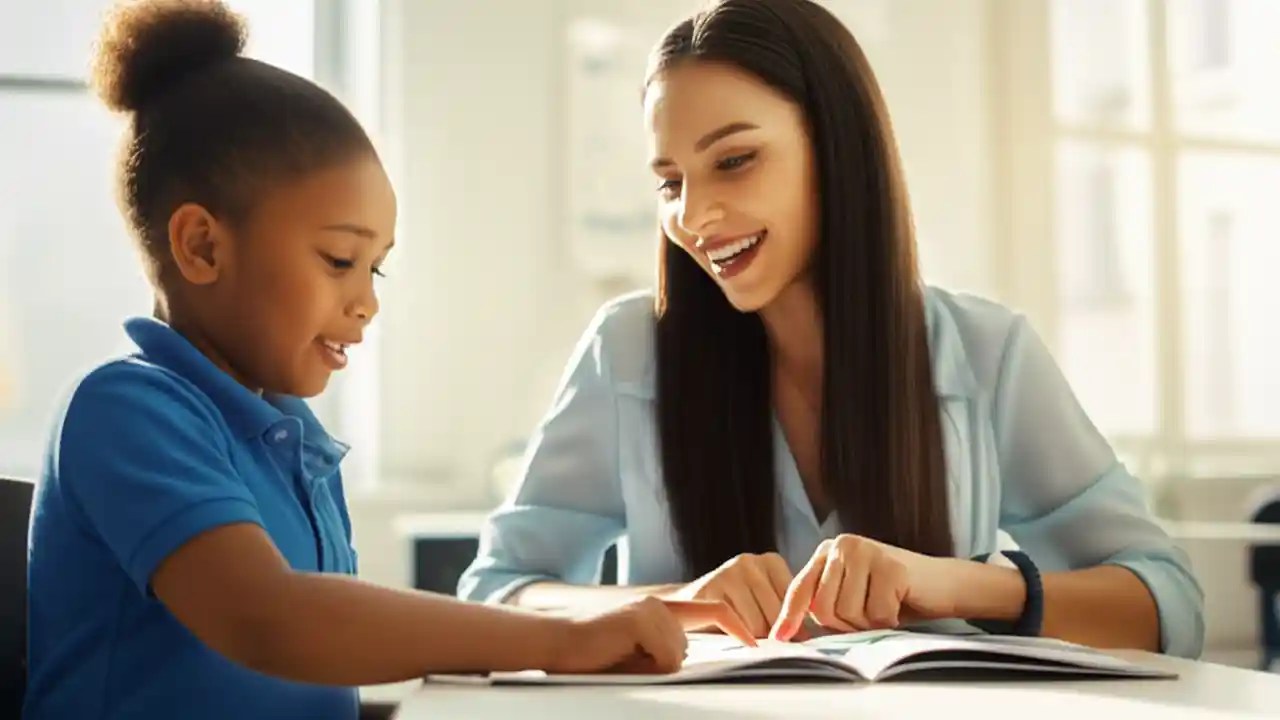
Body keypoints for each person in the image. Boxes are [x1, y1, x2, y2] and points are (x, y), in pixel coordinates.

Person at [23, 2, 750, 719]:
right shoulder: (127, 409)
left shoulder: (292, 438)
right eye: (340, 259)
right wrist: (558, 641)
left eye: (376, 269)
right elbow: (271, 620)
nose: (366, 302)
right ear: (203, 247)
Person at [459, 0, 1204, 659]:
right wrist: (666, 603)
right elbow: (497, 591)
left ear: (836, 149)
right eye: (671, 181)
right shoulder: (627, 351)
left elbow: (1167, 604)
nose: (692, 216)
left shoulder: (987, 353)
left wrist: (954, 586)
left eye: (735, 160)